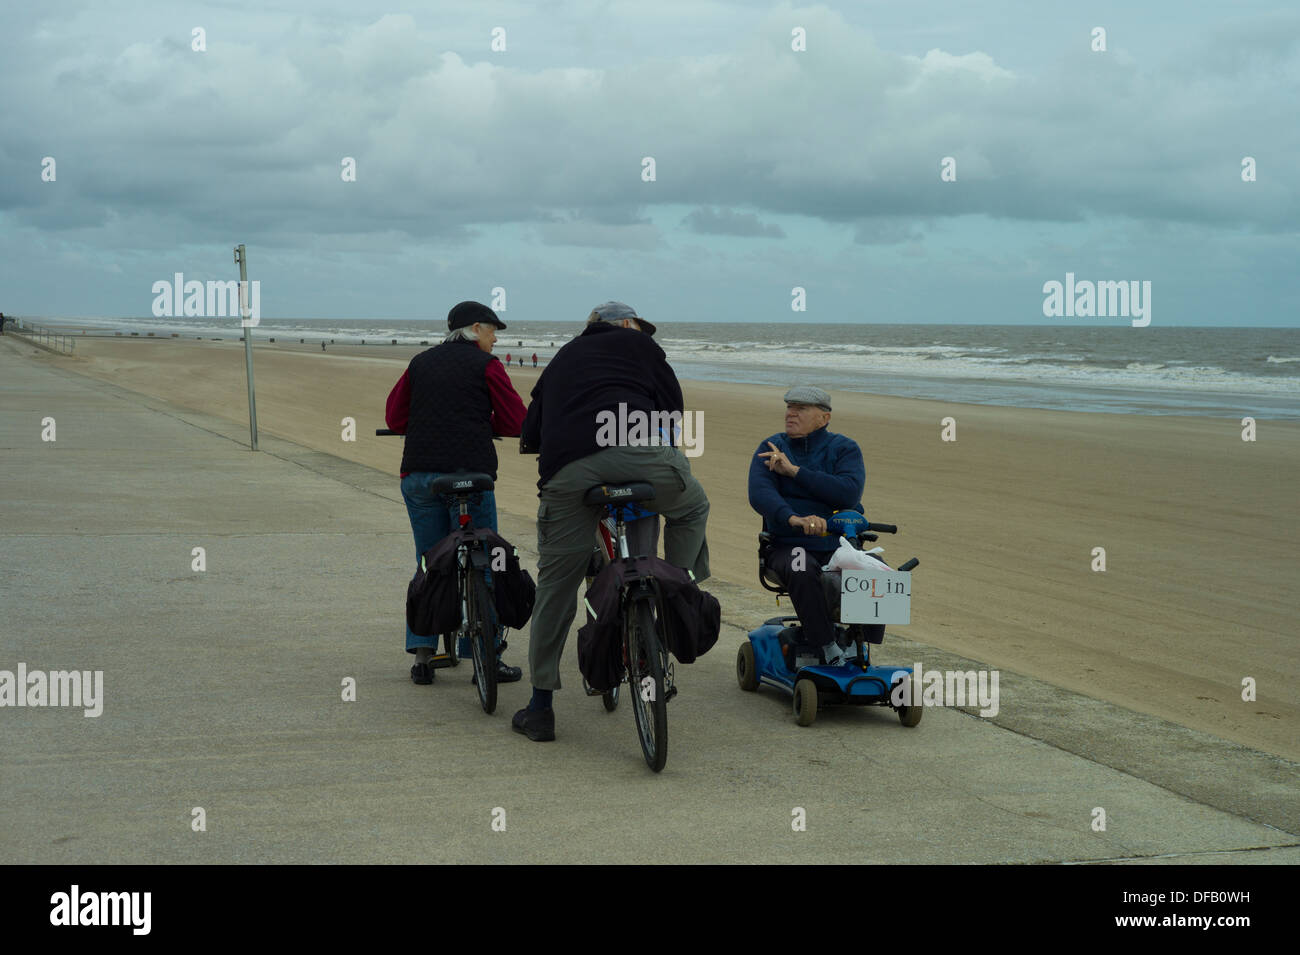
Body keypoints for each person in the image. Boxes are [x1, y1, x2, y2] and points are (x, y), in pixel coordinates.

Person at [514, 301, 709, 741]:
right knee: (692, 508)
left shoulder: (563, 356)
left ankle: (540, 707)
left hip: (571, 472)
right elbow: (672, 411)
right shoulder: (643, 349)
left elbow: (533, 429)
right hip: (643, 459)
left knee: (556, 587)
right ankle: (679, 590)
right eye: (640, 326)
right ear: (626, 324)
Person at [385, 301, 527, 685]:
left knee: (429, 562)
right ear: (475, 328)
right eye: (493, 331)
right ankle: (485, 655)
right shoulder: (486, 366)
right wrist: (484, 421)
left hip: (420, 476)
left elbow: (395, 418)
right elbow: (516, 421)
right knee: (486, 558)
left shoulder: (420, 363)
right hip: (471, 475)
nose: (496, 339)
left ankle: (422, 654)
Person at [748, 386, 867, 666]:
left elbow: (848, 493)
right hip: (788, 545)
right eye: (789, 407)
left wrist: (794, 472)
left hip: (836, 545)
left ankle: (857, 642)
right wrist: (793, 519)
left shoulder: (844, 448)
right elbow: (760, 494)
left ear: (823, 418)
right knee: (802, 567)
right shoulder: (771, 448)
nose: (791, 413)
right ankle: (825, 645)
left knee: (878, 570)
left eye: (800, 409)